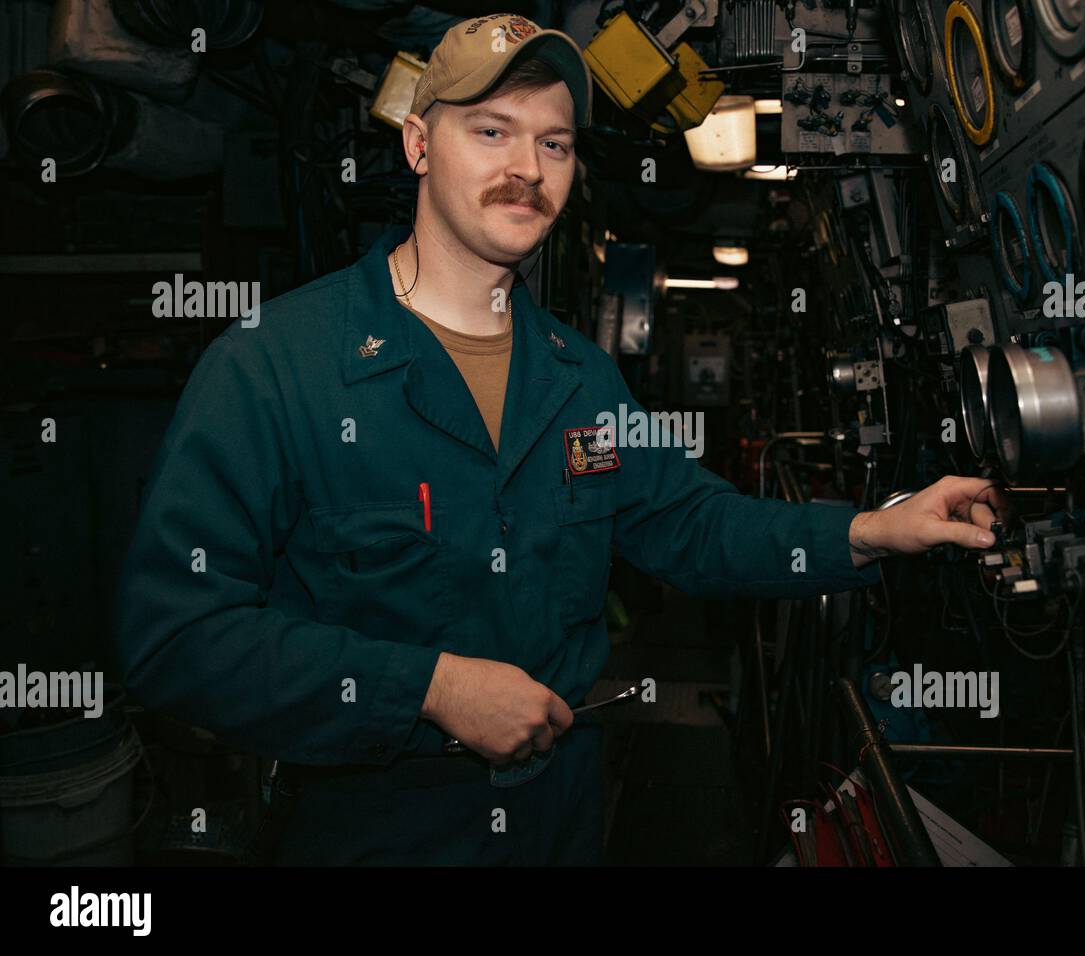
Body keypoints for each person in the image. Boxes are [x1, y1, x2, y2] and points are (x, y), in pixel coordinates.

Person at [114, 12, 1007, 865]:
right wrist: (430, 688)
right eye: (492, 133)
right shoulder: (277, 367)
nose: (527, 168)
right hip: (376, 825)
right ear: (419, 145)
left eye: (554, 143)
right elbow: (175, 637)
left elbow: (690, 525)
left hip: (559, 819)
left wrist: (872, 529)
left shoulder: (577, 377)